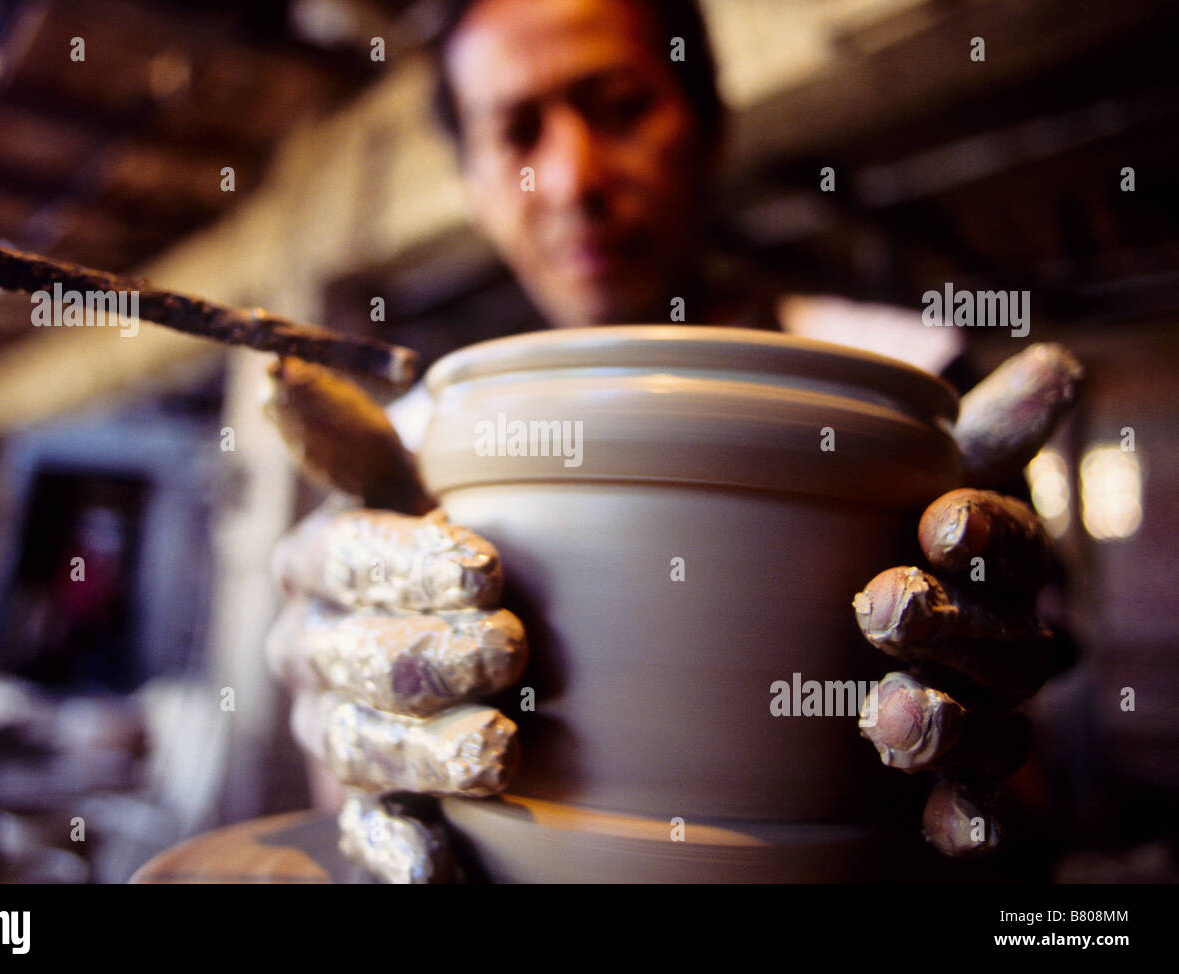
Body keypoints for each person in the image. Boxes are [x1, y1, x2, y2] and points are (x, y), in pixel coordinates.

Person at [263, 0, 1080, 882]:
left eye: (618, 107)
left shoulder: (924, 387)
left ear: (708, 123)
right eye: (518, 132)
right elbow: (349, 809)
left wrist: (994, 746)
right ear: (472, 181)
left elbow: (1047, 792)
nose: (574, 177)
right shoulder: (418, 441)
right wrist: (339, 708)